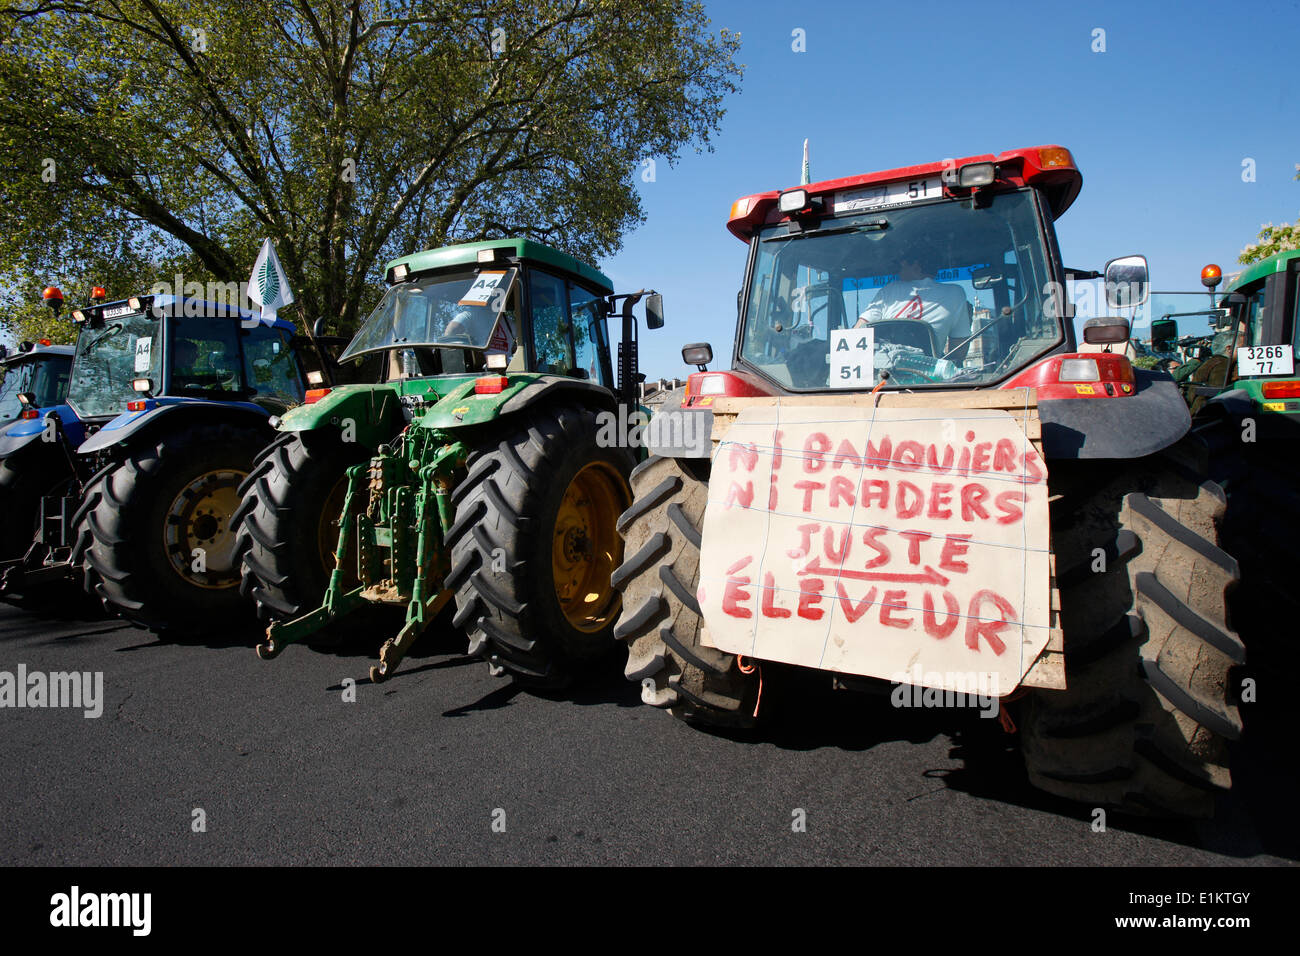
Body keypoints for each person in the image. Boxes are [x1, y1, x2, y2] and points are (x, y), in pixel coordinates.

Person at [854, 243, 972, 364]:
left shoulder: (889, 290)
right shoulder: (955, 293)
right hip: (928, 379)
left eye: (901, 267)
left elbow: (857, 333)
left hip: (883, 376)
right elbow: (958, 353)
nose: (899, 273)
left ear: (916, 266)